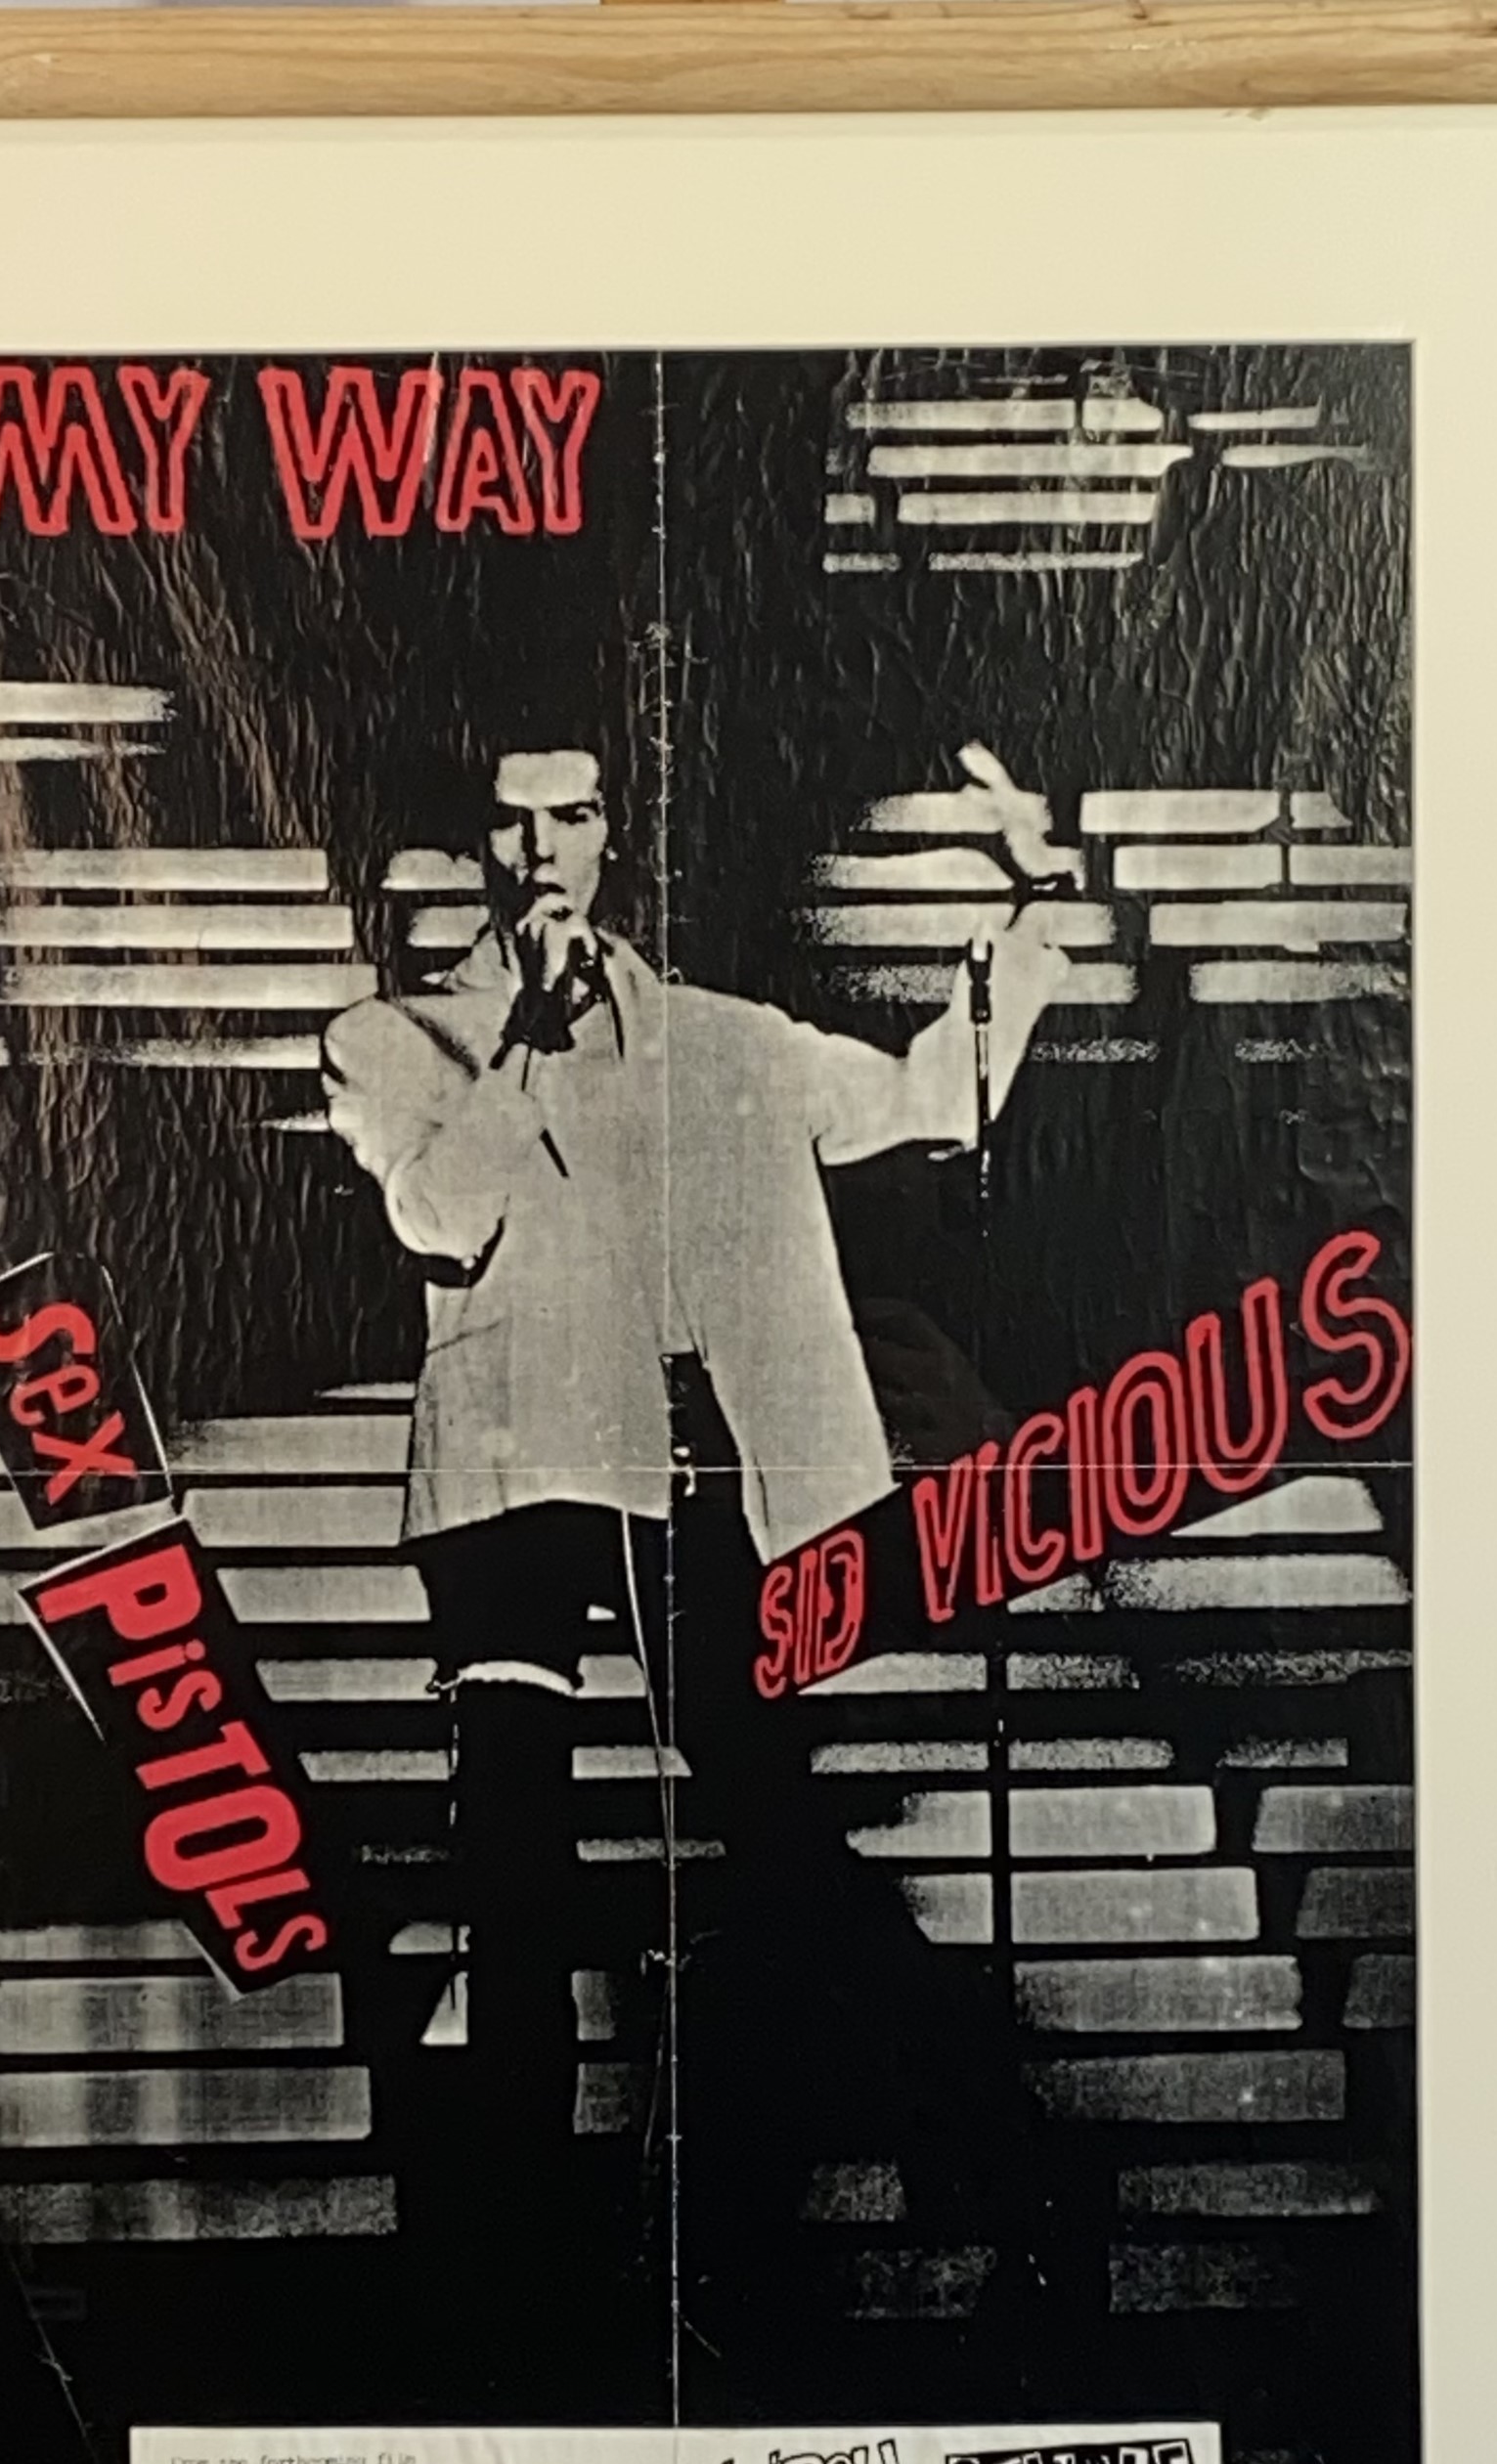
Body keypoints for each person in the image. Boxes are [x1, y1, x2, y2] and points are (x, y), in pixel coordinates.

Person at [322, 731, 1071, 2304]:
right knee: (512, 1866)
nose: (542, 848)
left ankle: (987, 2123)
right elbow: (439, 1215)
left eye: (573, 815)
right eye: (513, 822)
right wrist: (524, 1041)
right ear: (479, 849)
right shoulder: (390, 1039)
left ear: (614, 837)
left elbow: (930, 1097)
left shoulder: (727, 1042)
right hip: (514, 1478)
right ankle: (514, 2261)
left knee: (772, 1813)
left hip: (680, 1471)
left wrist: (1034, 903)